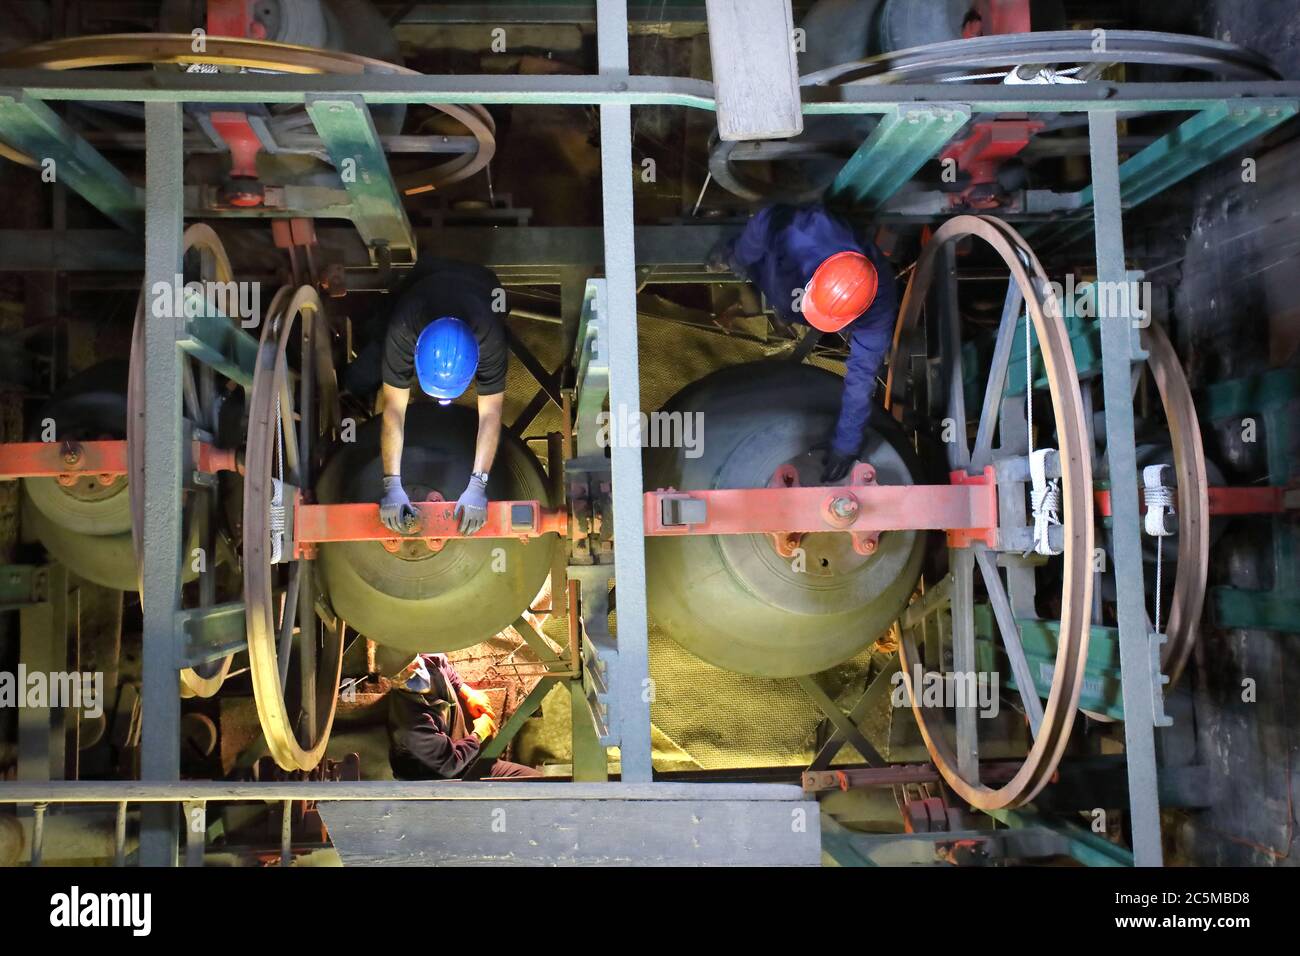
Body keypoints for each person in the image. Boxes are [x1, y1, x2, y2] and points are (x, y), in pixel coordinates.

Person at [707, 203, 898, 483]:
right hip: (778, 272)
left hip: (792, 292)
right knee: (765, 276)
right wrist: (740, 254)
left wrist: (846, 444)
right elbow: (765, 219)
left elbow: (861, 378)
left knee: (783, 301)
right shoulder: (808, 231)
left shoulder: (878, 311)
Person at [357, 257, 509, 537]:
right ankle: (351, 387)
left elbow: (491, 413)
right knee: (359, 377)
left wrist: (478, 485)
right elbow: (393, 409)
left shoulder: (490, 339)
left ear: (478, 361)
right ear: (414, 353)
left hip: (482, 282)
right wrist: (392, 484)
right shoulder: (403, 329)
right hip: (421, 279)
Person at [387, 653, 541, 780]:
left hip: (469, 761)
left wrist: (467, 693)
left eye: (413, 663)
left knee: (536, 782)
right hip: (440, 780)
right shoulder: (410, 723)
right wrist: (479, 733)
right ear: (394, 682)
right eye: (405, 674)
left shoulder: (428, 662)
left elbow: (445, 668)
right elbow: (449, 765)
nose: (414, 670)